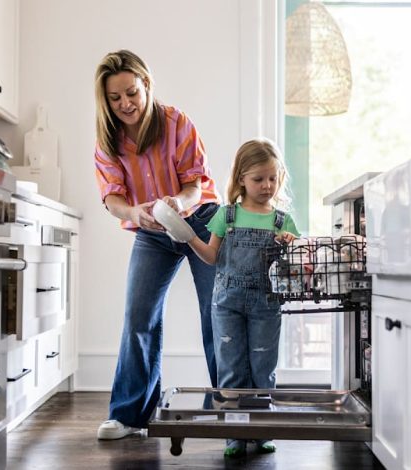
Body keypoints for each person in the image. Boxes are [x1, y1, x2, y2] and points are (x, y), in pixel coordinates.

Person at [93, 49, 222, 440]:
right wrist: (134, 212)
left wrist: (177, 204)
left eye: (131, 93)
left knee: (217, 315)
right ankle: (130, 417)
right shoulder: (109, 140)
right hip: (151, 229)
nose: (125, 104)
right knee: (138, 316)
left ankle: (234, 408)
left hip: (199, 220)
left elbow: (195, 183)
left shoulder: (176, 122)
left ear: (146, 85)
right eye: (115, 99)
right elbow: (111, 198)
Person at [187, 138, 299, 458]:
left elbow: (295, 269)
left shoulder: (283, 221)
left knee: (263, 369)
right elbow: (210, 257)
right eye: (258, 179)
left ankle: (262, 430)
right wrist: (190, 237)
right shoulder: (227, 215)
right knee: (232, 371)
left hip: (266, 305)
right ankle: (233, 433)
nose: (266, 186)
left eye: (272, 179)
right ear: (241, 180)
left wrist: (289, 245)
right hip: (226, 305)